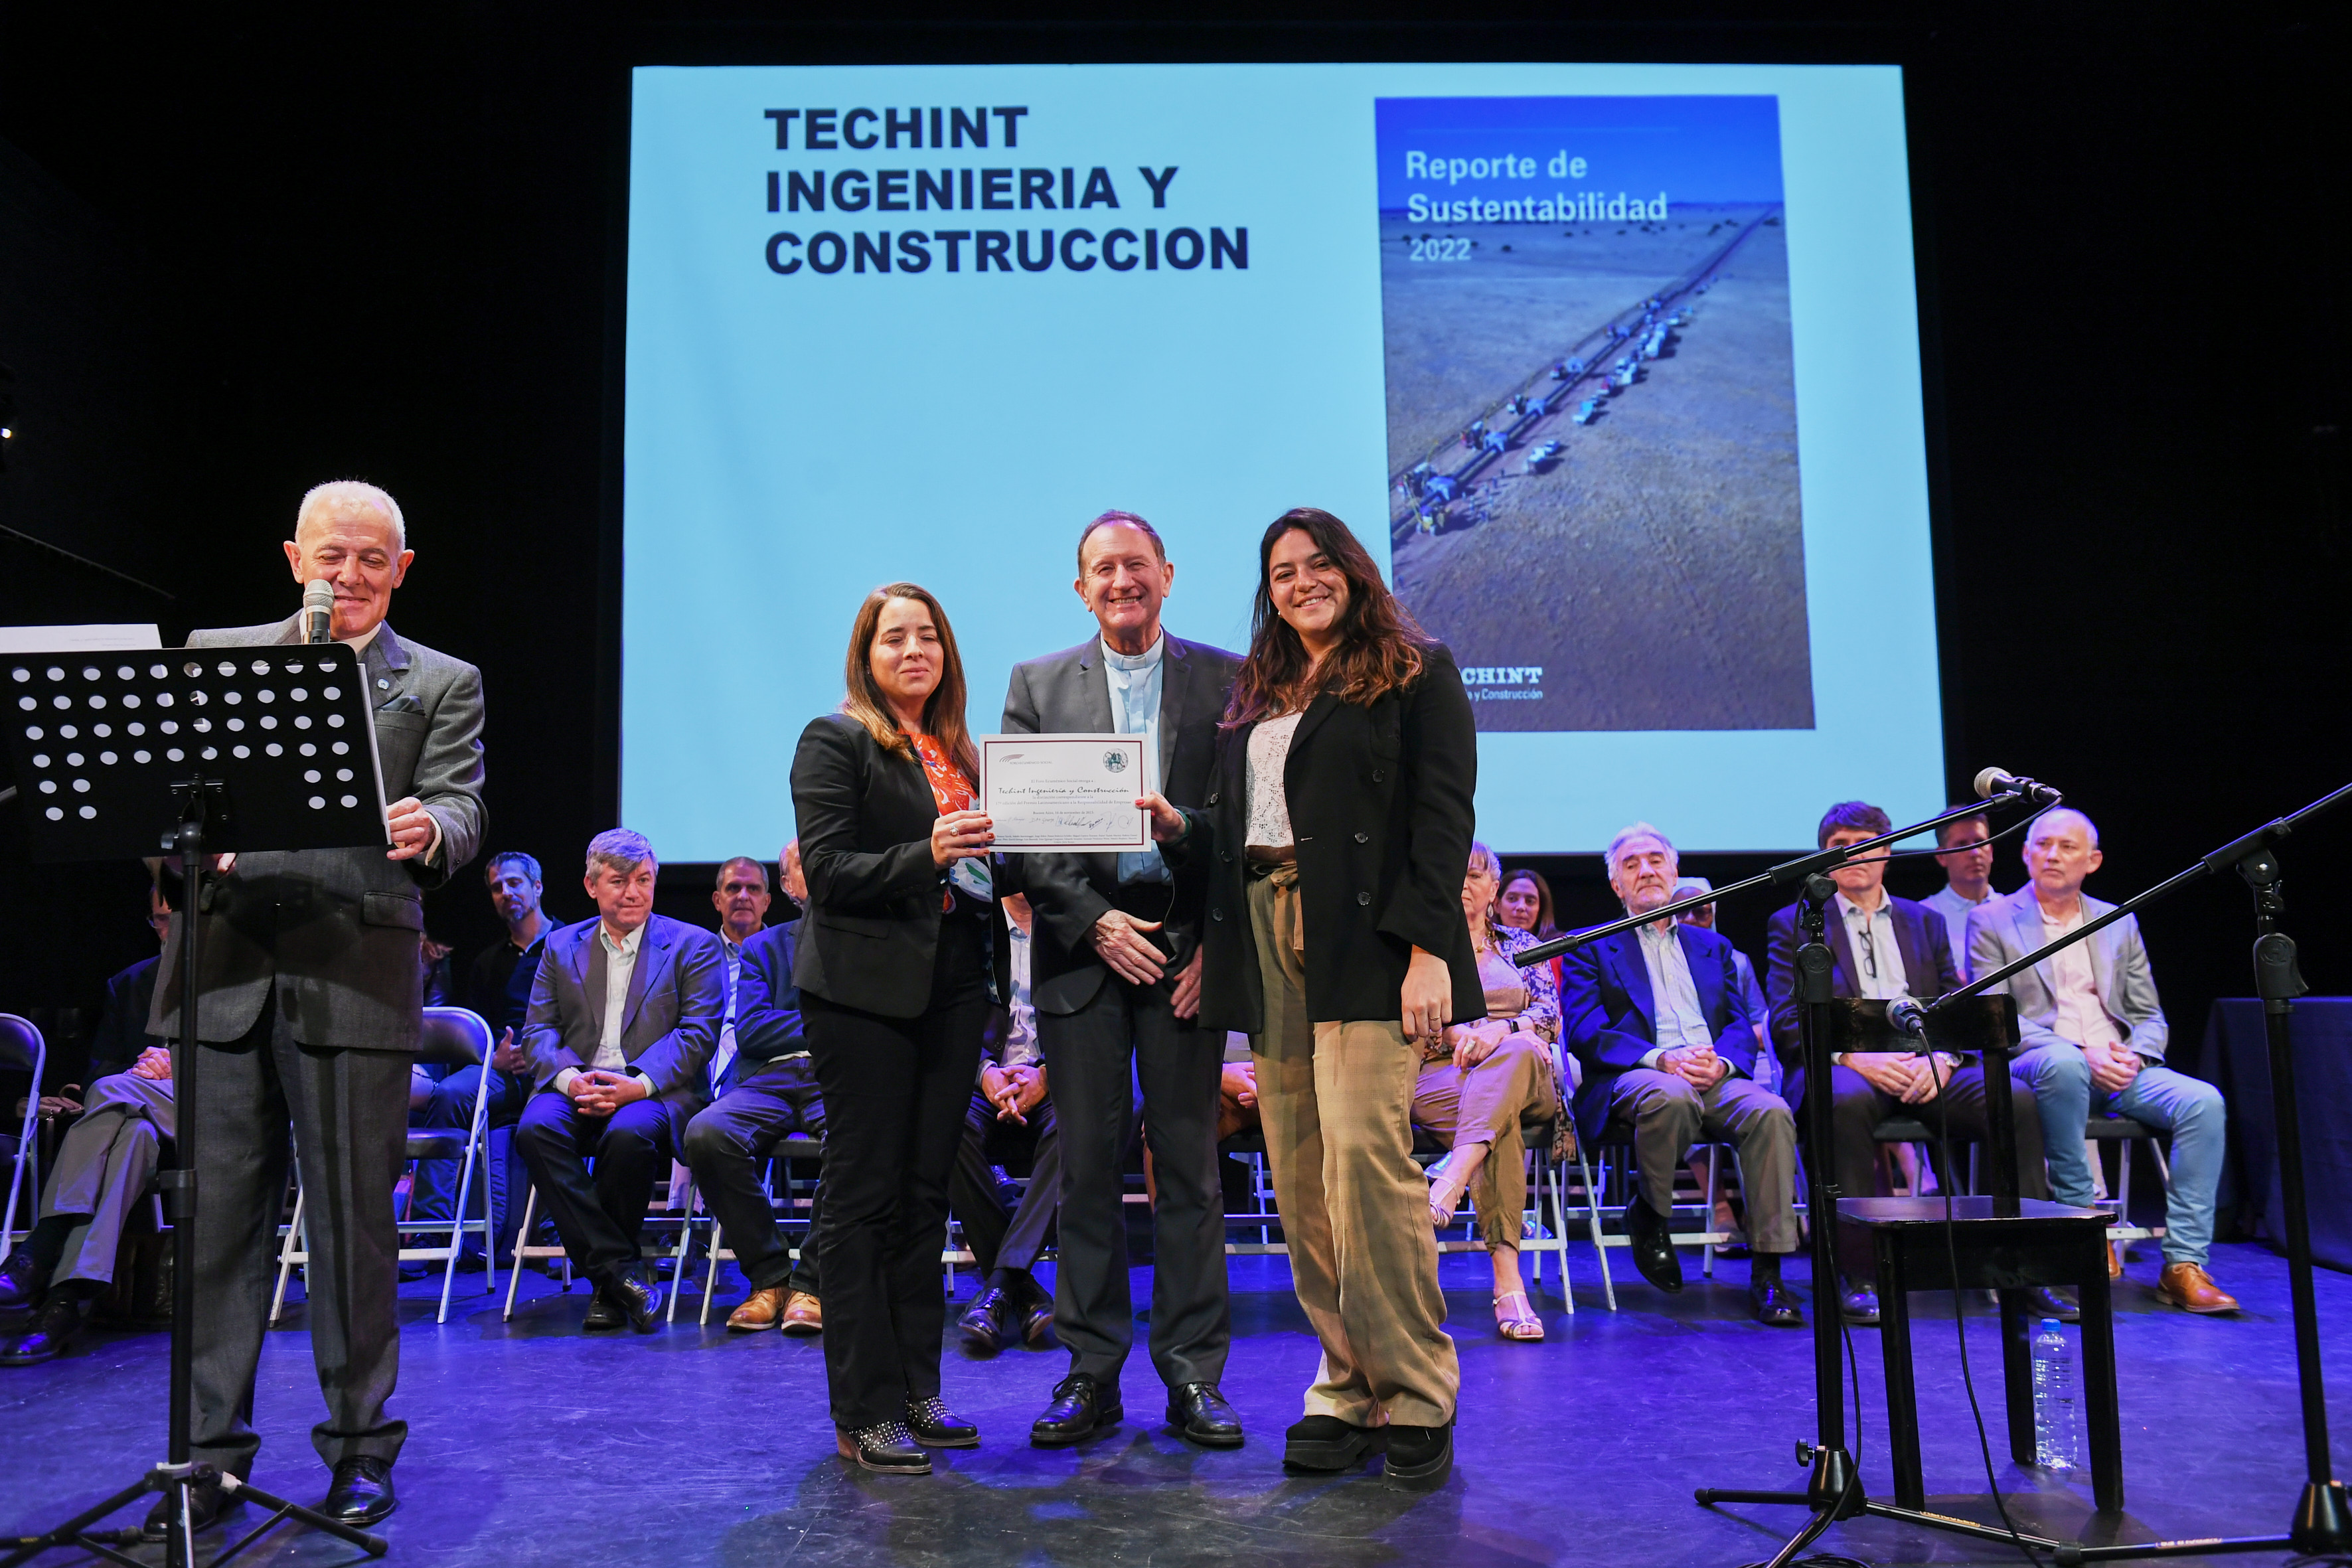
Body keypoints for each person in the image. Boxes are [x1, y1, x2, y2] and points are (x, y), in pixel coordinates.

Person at [146, 478, 485, 1531]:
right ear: (294, 555)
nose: (349, 575)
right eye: (331, 555)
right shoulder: (217, 653)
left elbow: (464, 800)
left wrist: (435, 828)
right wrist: (183, 833)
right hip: (225, 974)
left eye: (371, 558)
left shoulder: (439, 679)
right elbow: (161, 796)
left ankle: (359, 1451)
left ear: (402, 567)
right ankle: (206, 1462)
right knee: (215, 1233)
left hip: (355, 975)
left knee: (352, 1231)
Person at [1142, 506, 1477, 1489]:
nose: (1300, 582)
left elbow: (1440, 816)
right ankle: (1346, 1380)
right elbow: (1245, 827)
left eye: (1317, 563)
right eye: (1282, 572)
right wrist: (1182, 826)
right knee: (1298, 1175)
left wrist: (1427, 953)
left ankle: (1415, 1389)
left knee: (1366, 1168)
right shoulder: (1261, 688)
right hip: (1261, 930)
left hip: (1366, 944)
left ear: (1352, 570)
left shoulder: (1417, 669)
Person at [999, 509, 1244, 1450]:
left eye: (1134, 565)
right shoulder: (1035, 682)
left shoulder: (1226, 678)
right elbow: (1024, 833)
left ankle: (1191, 1376)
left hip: (1185, 960)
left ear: (1167, 574)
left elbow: (1239, 826)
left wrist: (1210, 949)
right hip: (1079, 958)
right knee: (1088, 1171)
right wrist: (1095, 921)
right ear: (1079, 585)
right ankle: (1089, 1373)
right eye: (1101, 569)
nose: (1119, 582)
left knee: (1188, 1170)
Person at [791, 582, 1002, 1475]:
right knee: (862, 1195)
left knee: (924, 1197)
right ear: (865, 655)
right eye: (894, 639)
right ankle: (864, 1407)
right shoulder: (834, 739)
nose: (914, 650)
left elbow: (992, 867)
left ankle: (919, 1389)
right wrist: (931, 853)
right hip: (862, 996)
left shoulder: (958, 750)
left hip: (955, 988)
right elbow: (829, 869)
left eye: (928, 637)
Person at [1764, 801, 2054, 1326]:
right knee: (1840, 1101)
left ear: (1887, 852)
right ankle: (1856, 1274)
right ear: (1823, 857)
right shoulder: (1795, 924)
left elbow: (1954, 1002)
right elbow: (1786, 1019)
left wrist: (1943, 1059)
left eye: (1867, 843)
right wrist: (1851, 1056)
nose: (1855, 855)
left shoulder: (1924, 921)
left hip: (1925, 1065)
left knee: (2012, 1099)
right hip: (1849, 1068)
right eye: (1839, 846)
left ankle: (2019, 1265)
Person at [1967, 808, 2238, 1313]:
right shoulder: (1991, 920)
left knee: (2203, 1103)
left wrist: (2133, 1055)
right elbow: (1995, 1016)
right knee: (2063, 1066)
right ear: (2025, 853)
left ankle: (2183, 1264)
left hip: (2116, 1066)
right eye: (2042, 844)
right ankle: (2084, 1229)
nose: (2052, 854)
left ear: (2091, 861)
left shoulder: (2117, 919)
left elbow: (2148, 1014)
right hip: (2043, 1061)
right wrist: (2077, 1051)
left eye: (2066, 847)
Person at [1557, 825, 1806, 1327]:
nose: (1645, 870)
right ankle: (1651, 1214)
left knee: (1770, 1112)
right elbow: (1586, 1032)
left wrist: (1724, 1063)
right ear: (1615, 885)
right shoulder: (1592, 946)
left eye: (1654, 860)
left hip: (1711, 1073)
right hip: (1636, 1076)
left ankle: (1769, 1270)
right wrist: (1658, 1059)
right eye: (1631, 864)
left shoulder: (1711, 946)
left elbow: (1739, 1021)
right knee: (1670, 1096)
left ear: (1673, 872)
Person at [514, 829, 724, 1334]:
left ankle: (607, 1288)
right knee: (533, 1130)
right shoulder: (560, 946)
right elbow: (538, 1029)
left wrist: (637, 1082)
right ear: (592, 886)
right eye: (619, 881)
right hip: (577, 1083)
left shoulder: (692, 945)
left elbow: (698, 1034)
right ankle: (622, 1275)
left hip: (653, 1090)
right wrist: (569, 1080)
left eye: (644, 880)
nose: (633, 892)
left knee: (629, 1135)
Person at [0, 888, 176, 1362]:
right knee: (131, 1128)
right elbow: (100, 1072)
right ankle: (65, 1301)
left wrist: (177, 1065)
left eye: (177, 916)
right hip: (142, 1126)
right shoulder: (131, 983)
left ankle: (44, 1241)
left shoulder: (235, 980)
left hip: (214, 1114)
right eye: (159, 920)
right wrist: (140, 1070)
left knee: (116, 1091)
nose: (169, 929)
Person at [1413, 843, 1565, 1343]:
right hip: (1440, 1075)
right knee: (1498, 1127)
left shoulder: (1520, 943)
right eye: (1452, 871)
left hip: (1524, 1072)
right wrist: (1457, 1036)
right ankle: (1508, 1285)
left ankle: (1451, 1177)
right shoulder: (1418, 949)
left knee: (1516, 1055)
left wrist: (1502, 1033)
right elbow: (1407, 1020)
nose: (1463, 882)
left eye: (1475, 874)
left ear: (1494, 890)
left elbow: (1548, 1017)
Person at [683, 848, 826, 1334]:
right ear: (787, 886)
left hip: (839, 1076)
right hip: (770, 1077)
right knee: (706, 1132)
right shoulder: (764, 949)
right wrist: (829, 1023)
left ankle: (813, 1282)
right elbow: (753, 1032)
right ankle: (770, 1278)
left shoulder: (867, 941)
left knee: (861, 1139)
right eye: (805, 863)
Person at [406, 852, 545, 1259]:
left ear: (537, 887)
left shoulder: (569, 944)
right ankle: (432, 1231)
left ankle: (558, 1236)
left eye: (515, 883)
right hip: (502, 1070)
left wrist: (540, 1054)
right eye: (497, 888)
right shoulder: (487, 962)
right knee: (449, 1093)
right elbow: (475, 1031)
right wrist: (492, 1059)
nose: (506, 893)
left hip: (555, 1067)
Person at [950, 893, 1062, 1355]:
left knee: (1081, 1129)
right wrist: (985, 1072)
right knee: (949, 1130)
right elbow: (950, 1017)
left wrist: (1045, 1076)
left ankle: (998, 1286)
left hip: (1055, 1077)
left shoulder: (1069, 926)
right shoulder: (972, 931)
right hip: (984, 1081)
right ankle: (1023, 1289)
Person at [1923, 808, 1999, 979]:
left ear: (1991, 851)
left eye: (1980, 842)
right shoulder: (1924, 917)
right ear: (1941, 856)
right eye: (1962, 844)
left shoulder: (2015, 910)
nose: (1975, 853)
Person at [1494, 866, 1566, 1001]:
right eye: (1512, 899)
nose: (1521, 907)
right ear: (1497, 905)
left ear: (1541, 909)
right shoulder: (1481, 947)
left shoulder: (1559, 949)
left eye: (1530, 901)